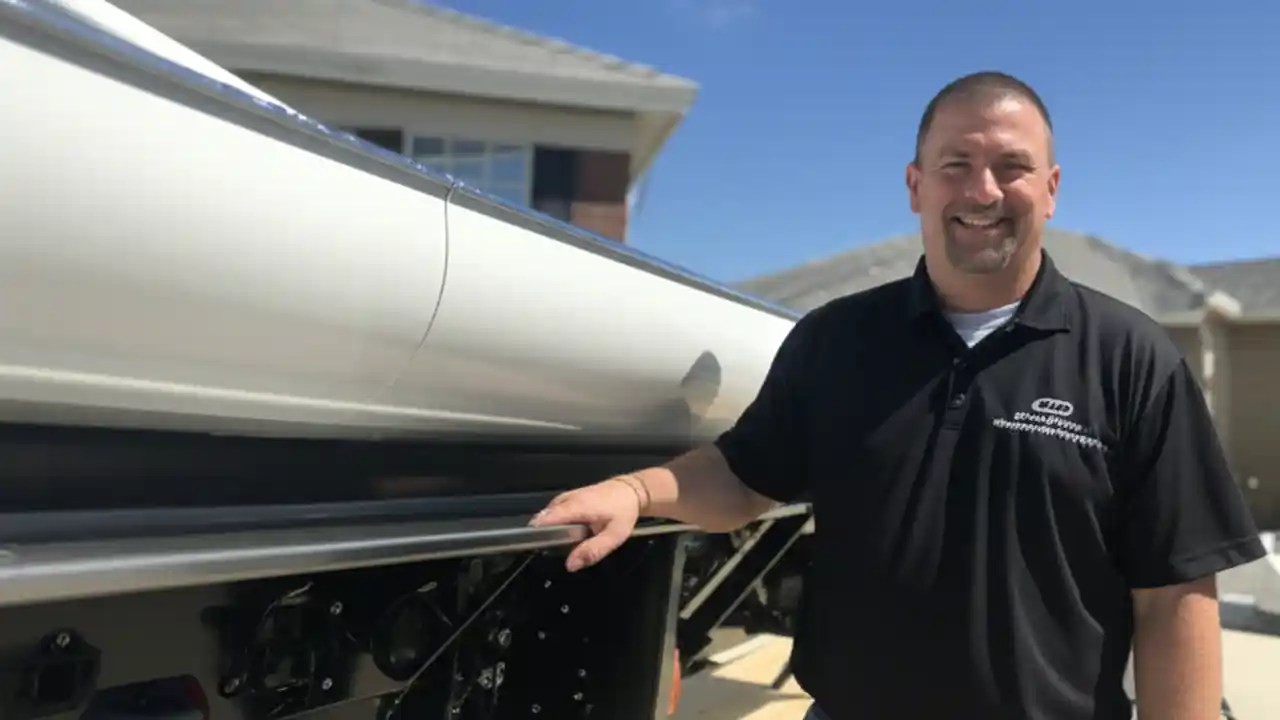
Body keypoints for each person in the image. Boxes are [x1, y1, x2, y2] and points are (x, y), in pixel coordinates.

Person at [529, 70, 1266, 719]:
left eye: (1012, 167)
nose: (983, 191)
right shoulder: (836, 340)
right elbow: (744, 475)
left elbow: (1174, 594)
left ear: (1051, 189)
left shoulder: (1130, 359)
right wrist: (636, 491)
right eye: (956, 165)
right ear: (916, 185)